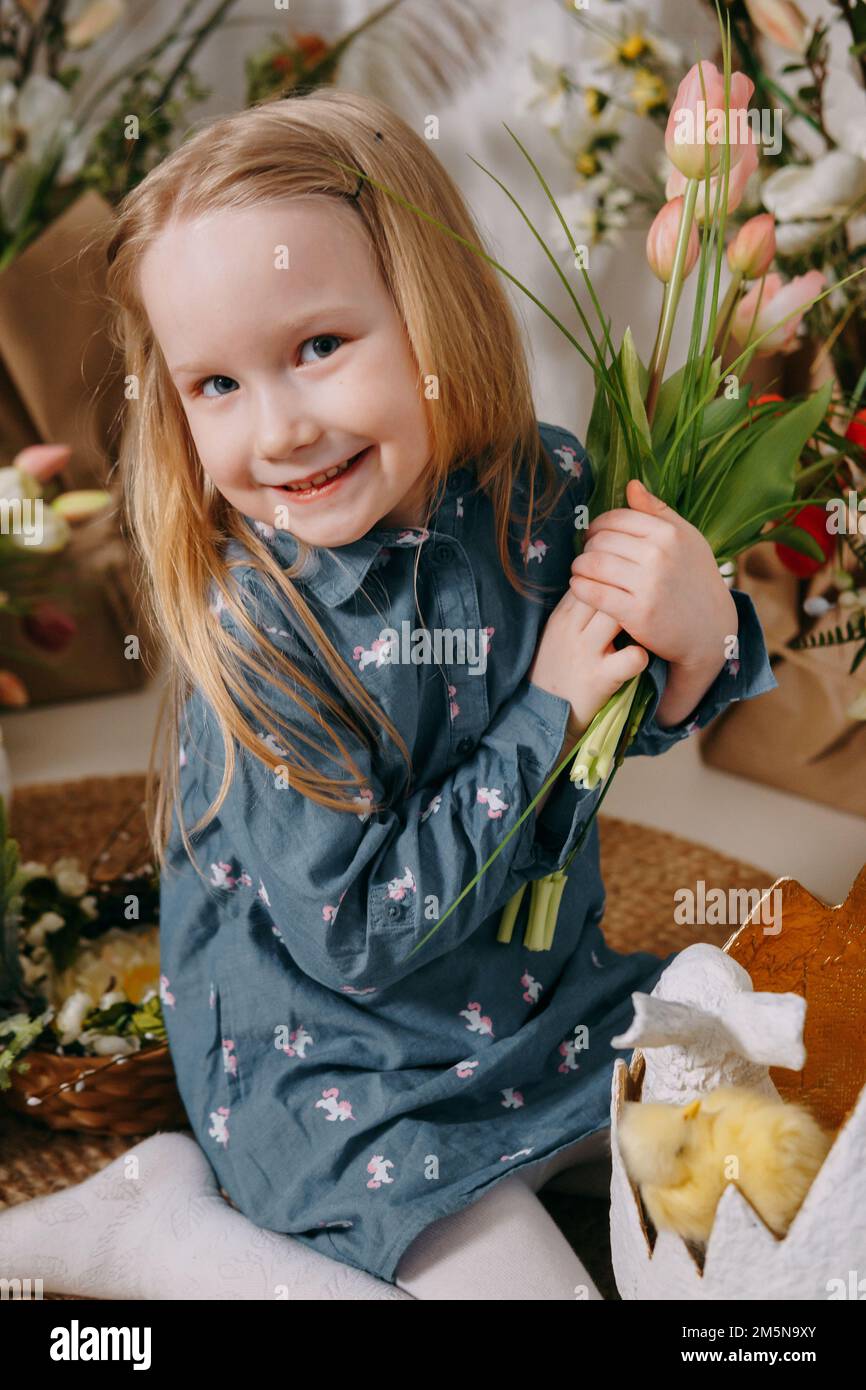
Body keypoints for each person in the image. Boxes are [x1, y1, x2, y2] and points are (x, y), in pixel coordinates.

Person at [97, 87, 775, 1299]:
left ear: (431, 311)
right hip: (345, 1080)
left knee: (784, 1198)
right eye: (216, 385)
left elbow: (645, 717)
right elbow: (357, 937)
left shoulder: (536, 495)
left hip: (542, 1013)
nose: (281, 428)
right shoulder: (261, 633)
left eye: (316, 346)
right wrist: (545, 710)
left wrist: (698, 630)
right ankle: (153, 1234)